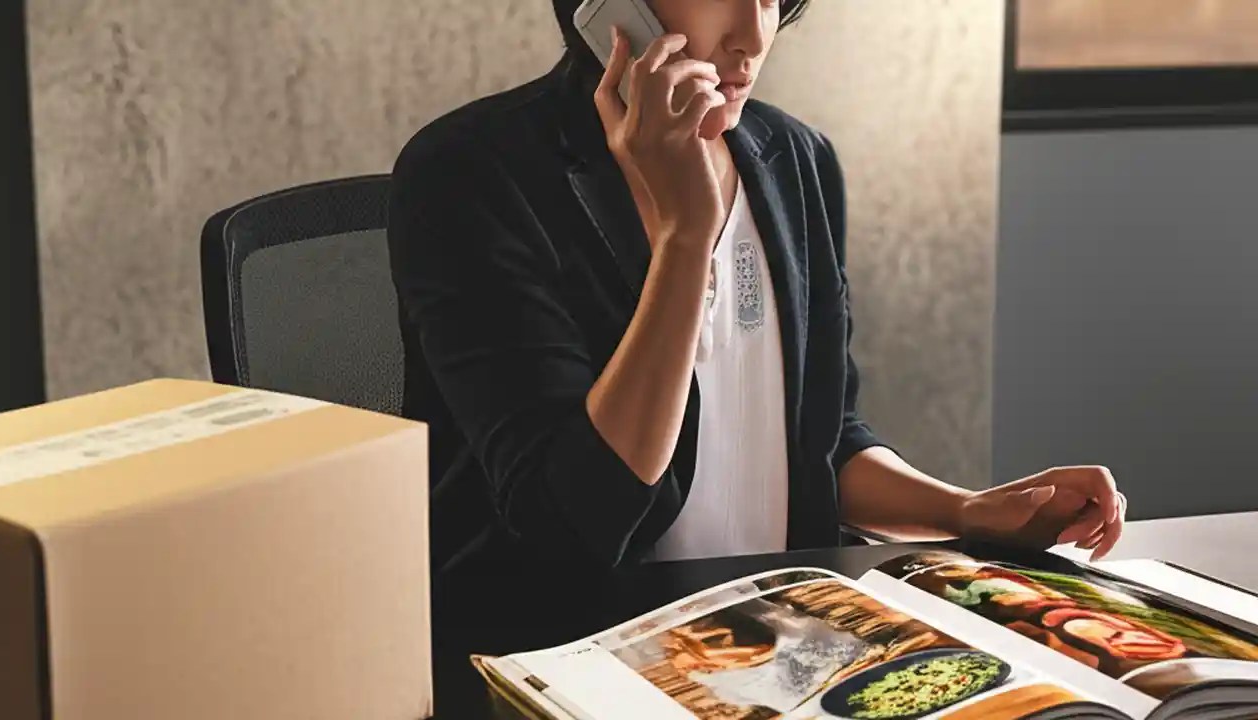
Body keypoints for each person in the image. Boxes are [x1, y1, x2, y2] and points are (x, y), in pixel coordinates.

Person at [387, 0, 1128, 587]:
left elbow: (821, 445)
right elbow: (573, 519)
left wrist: (966, 512)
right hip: (563, 649)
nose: (752, 35)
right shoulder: (470, 176)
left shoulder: (794, 160)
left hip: (779, 641)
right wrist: (685, 239)